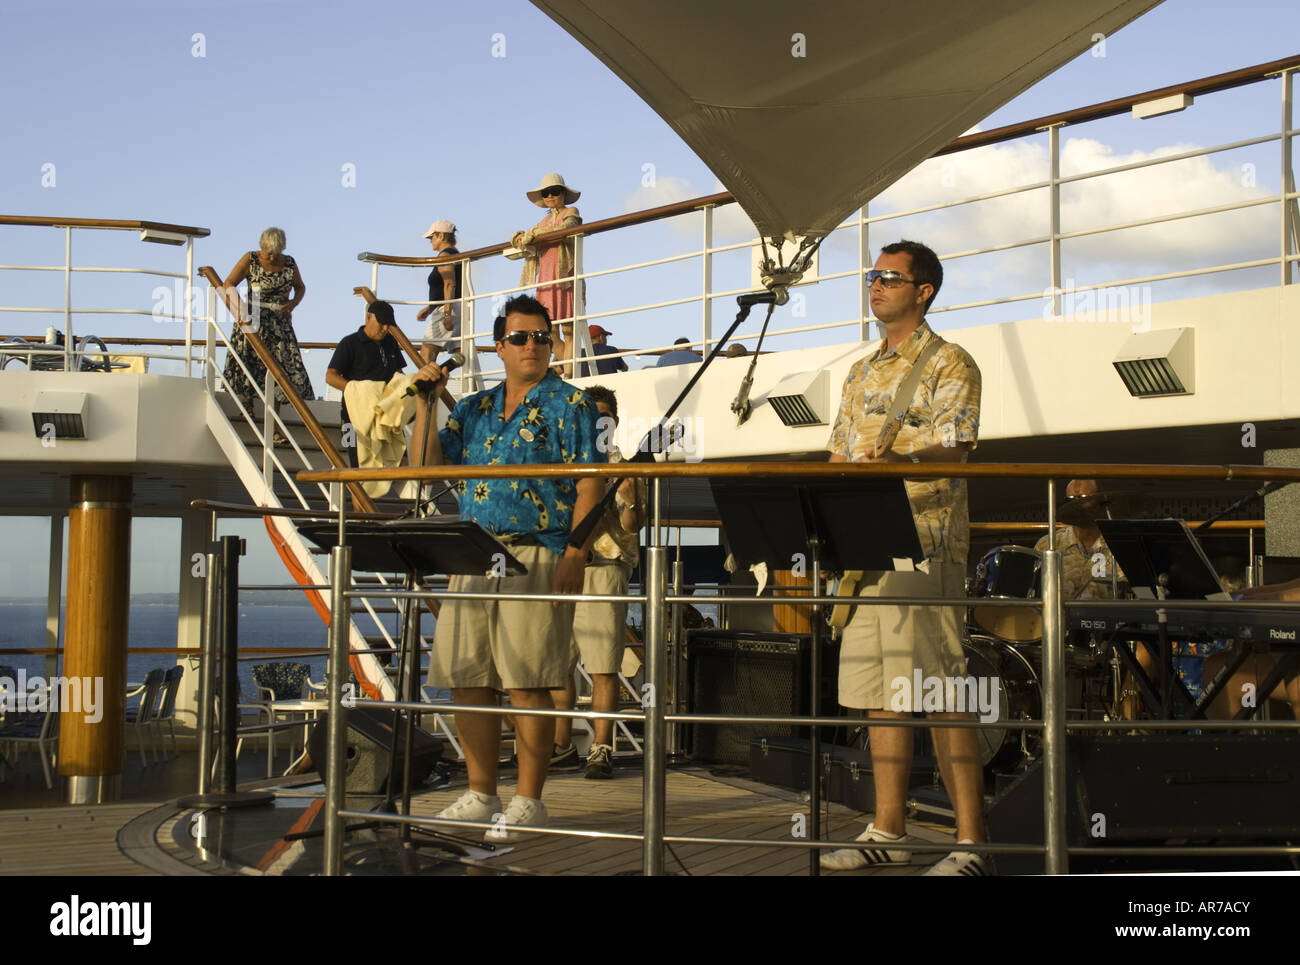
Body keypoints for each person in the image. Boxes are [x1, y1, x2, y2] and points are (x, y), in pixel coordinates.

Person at [819, 240, 988, 876]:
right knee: (881, 696)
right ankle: (888, 828)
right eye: (873, 276)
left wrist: (901, 462)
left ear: (924, 291)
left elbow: (957, 447)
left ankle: (971, 842)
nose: (877, 284)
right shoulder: (860, 372)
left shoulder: (951, 362)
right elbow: (838, 456)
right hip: (866, 550)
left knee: (940, 688)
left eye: (891, 277)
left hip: (923, 542)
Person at [424, 293, 606, 840]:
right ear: (499, 346)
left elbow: (591, 483)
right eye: (521, 338)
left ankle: (530, 799)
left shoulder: (574, 404)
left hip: (536, 548)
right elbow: (428, 468)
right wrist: (423, 402)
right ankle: (481, 791)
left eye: (542, 338)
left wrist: (575, 552)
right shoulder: (471, 409)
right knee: (467, 677)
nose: (533, 346)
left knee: (527, 679)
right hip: (471, 550)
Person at [549, 385, 645, 778]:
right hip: (563, 565)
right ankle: (561, 745)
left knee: (604, 665)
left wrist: (631, 496)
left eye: (603, 416)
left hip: (605, 566)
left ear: (614, 422)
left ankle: (601, 748)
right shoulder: (563, 459)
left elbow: (632, 526)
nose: (595, 422)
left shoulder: (625, 466)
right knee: (556, 664)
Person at [221, 227, 314, 436]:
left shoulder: (289, 262)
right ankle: (248, 407)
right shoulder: (251, 259)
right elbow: (228, 284)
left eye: (275, 253)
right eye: (268, 252)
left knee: (280, 368)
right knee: (250, 362)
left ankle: (273, 424)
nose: (272, 257)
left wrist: (293, 303)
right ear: (262, 247)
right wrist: (238, 309)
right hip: (252, 318)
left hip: (279, 324)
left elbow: (301, 287)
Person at [325, 300, 439, 467]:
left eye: (388, 325)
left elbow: (399, 375)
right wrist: (359, 390)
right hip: (351, 418)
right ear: (368, 317)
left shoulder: (390, 343)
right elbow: (330, 376)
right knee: (356, 465)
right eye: (382, 323)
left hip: (386, 418)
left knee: (400, 461)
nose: (385, 328)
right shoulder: (349, 343)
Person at [513, 173, 583, 375]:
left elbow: (568, 226)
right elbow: (524, 236)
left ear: (563, 194)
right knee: (549, 329)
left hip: (565, 276)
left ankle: (569, 372)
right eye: (546, 193)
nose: (550, 196)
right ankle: (568, 367)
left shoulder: (571, 211)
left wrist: (533, 235)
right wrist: (523, 236)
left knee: (568, 328)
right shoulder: (542, 223)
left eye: (555, 191)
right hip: (545, 277)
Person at [415, 219, 462, 353]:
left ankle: (432, 374)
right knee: (460, 352)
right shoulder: (456, 254)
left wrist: (447, 314)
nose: (430, 240)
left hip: (447, 309)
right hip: (457, 307)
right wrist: (430, 308)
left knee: (427, 352)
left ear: (441, 236)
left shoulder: (444, 256)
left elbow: (449, 284)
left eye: (432, 237)